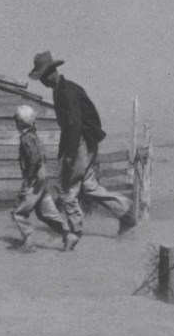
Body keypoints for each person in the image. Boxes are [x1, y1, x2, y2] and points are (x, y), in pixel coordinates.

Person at [28, 51, 136, 243]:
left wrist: (70, 155)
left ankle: (74, 232)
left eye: (43, 77)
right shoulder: (61, 89)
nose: (43, 82)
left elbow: (75, 124)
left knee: (68, 189)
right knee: (88, 185)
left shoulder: (66, 92)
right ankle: (125, 211)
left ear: (52, 73)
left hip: (80, 144)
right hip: (85, 143)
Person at [10, 104, 78, 251]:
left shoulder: (26, 139)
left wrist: (29, 178)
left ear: (19, 122)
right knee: (46, 213)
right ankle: (68, 235)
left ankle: (28, 241)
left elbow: (34, 158)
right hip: (43, 179)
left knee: (18, 212)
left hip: (34, 180)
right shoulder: (36, 137)